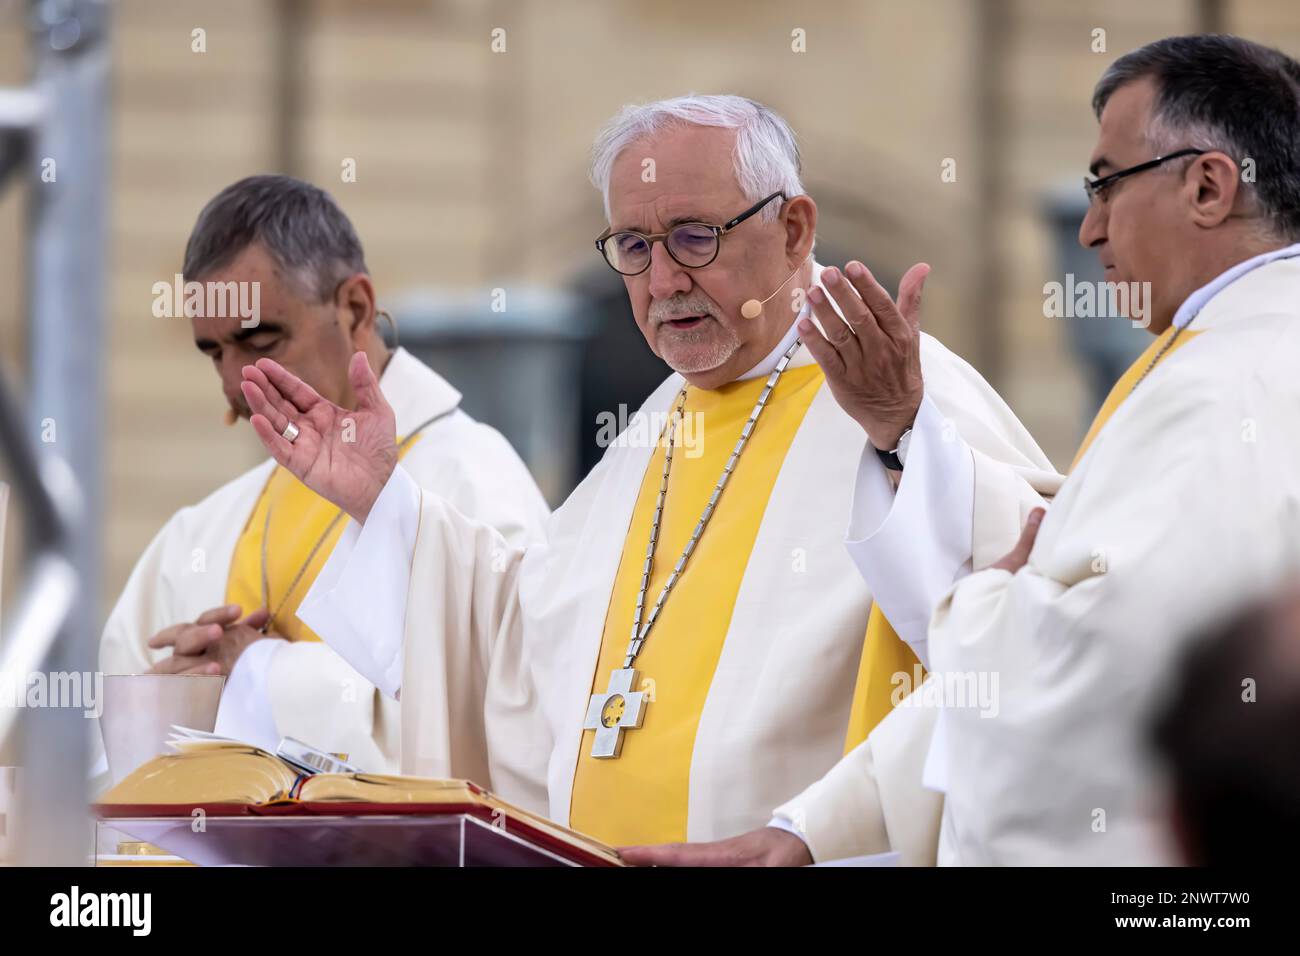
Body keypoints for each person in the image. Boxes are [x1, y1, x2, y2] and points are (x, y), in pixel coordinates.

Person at [241, 95, 1061, 858]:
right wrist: (382, 500)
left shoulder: (900, 389)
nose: (664, 281)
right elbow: (527, 639)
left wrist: (900, 434)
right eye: (634, 248)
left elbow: (1025, 615)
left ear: (796, 229)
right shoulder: (659, 420)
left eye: (695, 237)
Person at [668, 34, 1300, 866]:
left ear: (1211, 186)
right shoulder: (1229, 349)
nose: (1090, 230)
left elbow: (1107, 677)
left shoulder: (1230, 382)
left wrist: (980, 609)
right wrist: (808, 831)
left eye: (1106, 185)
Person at [100, 175, 549, 773]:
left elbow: (509, 726)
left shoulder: (472, 483)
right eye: (213, 352)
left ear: (356, 307)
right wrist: (173, 696)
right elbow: (111, 768)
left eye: (260, 338)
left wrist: (260, 675)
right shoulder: (202, 532)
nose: (235, 380)